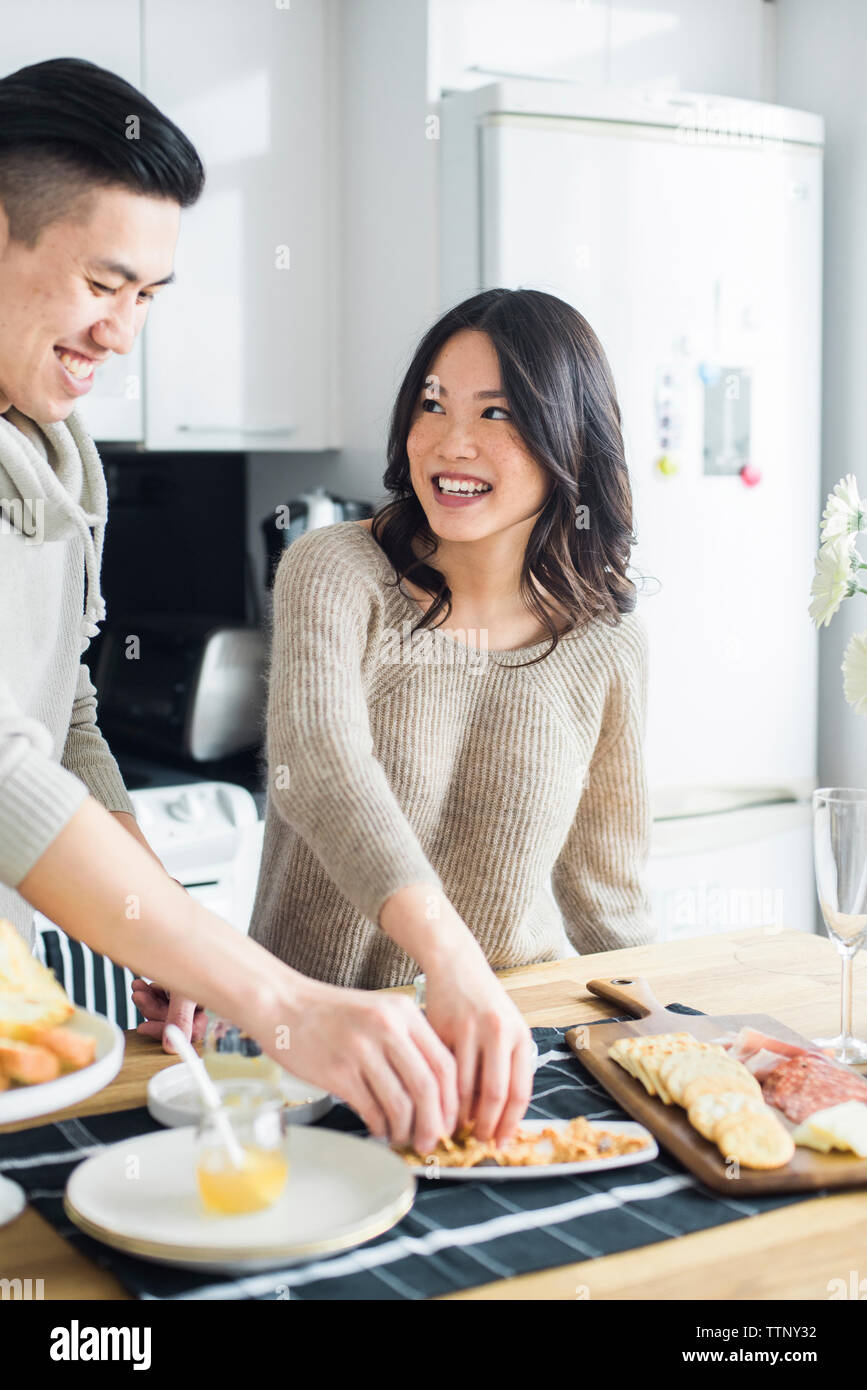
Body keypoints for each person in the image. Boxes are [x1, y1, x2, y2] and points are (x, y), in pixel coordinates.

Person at [0, 56, 464, 1155]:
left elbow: (57, 721)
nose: (124, 333)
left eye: (149, 297)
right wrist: (278, 997)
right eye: (104, 285)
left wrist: (166, 934)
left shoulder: (61, 456)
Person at [246, 288, 657, 1122]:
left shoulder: (606, 647)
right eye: (431, 404)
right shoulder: (333, 572)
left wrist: (677, 1034)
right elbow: (319, 768)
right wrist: (450, 959)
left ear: (568, 439)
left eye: (497, 413)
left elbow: (606, 893)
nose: (450, 441)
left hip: (509, 1050)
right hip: (307, 1050)